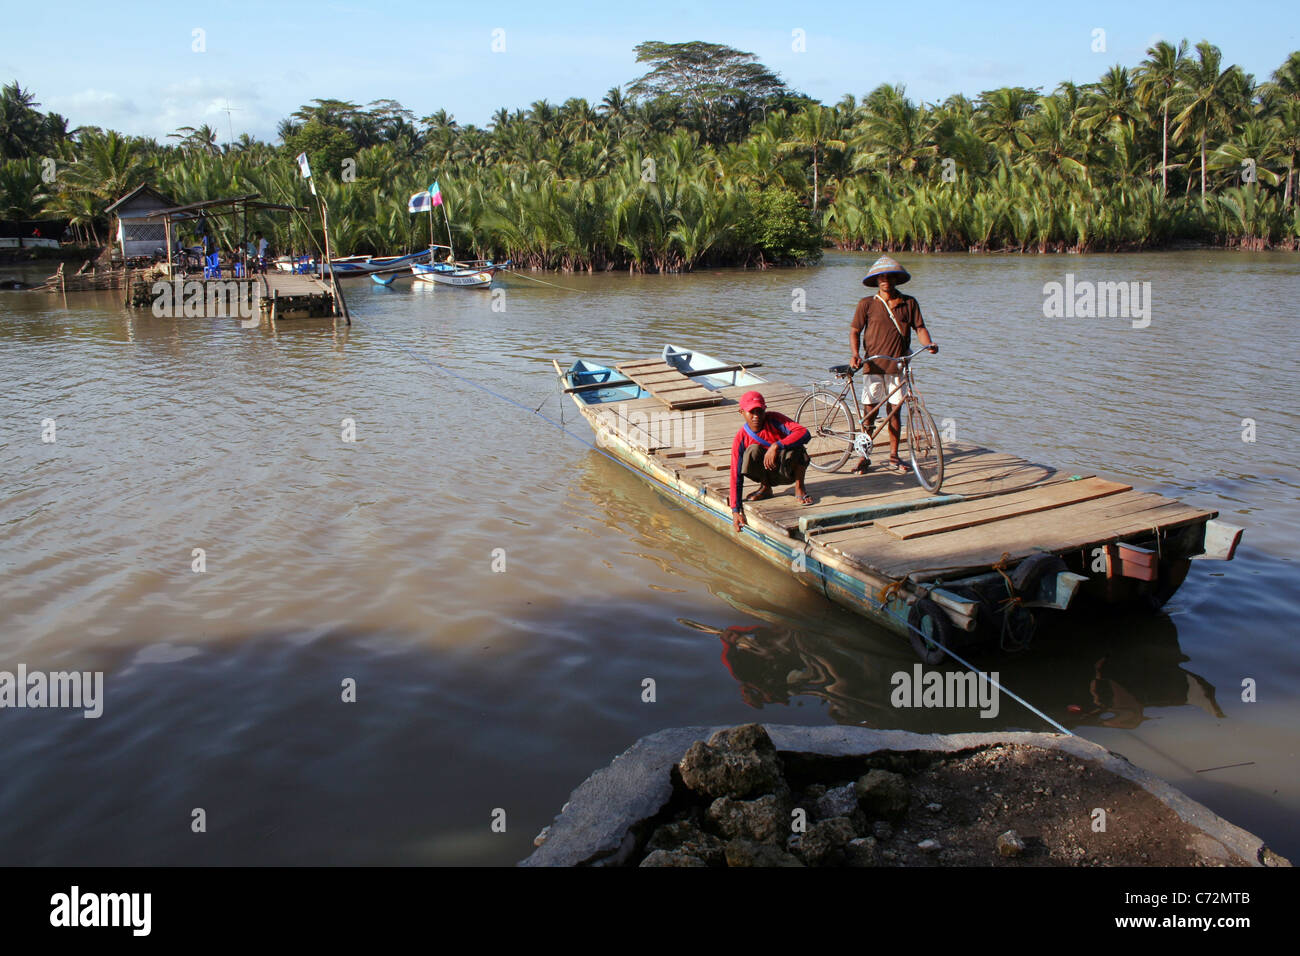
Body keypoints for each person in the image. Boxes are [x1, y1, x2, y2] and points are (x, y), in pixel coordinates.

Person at [849, 255, 938, 473]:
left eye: (889, 276)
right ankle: (864, 455)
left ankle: (893, 456)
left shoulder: (909, 303)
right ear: (876, 281)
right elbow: (855, 331)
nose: (885, 280)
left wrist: (929, 344)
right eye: (881, 277)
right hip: (873, 366)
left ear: (896, 279)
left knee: (895, 412)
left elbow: (920, 328)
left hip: (898, 366)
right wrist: (855, 353)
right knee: (869, 412)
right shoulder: (866, 304)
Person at [730, 390, 813, 533]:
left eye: (760, 411)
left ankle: (799, 487)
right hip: (766, 471)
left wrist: (777, 445)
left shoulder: (775, 419)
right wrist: (736, 510)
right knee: (753, 451)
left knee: (798, 447)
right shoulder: (741, 438)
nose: (756, 416)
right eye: (752, 412)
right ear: (741, 412)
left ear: (765, 410)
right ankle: (766, 487)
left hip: (787, 468)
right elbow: (735, 475)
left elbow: (804, 433)